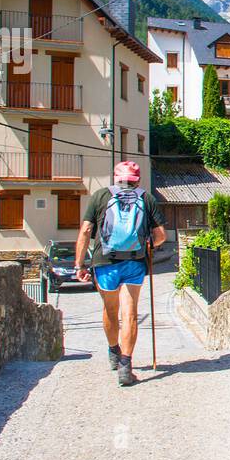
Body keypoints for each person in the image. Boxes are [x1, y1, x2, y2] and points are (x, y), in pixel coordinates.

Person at [74, 161, 167, 386]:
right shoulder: (146, 198)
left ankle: (113, 351)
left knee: (109, 309)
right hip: (134, 261)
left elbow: (86, 230)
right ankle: (126, 366)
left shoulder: (100, 196)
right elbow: (161, 235)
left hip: (105, 262)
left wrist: (79, 265)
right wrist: (149, 246)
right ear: (138, 179)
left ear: (116, 178)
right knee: (130, 314)